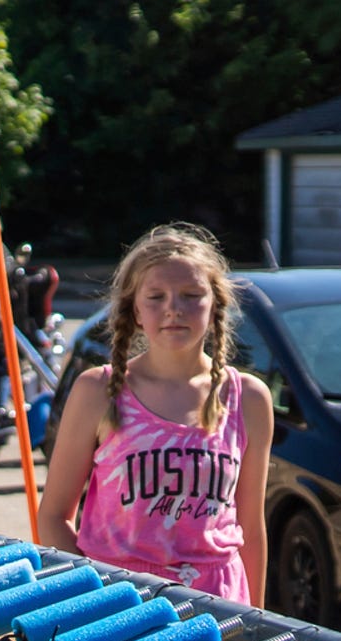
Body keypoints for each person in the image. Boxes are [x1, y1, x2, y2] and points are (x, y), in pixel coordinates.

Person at [37, 223, 270, 604]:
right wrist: (87, 599)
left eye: (192, 295)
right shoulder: (98, 391)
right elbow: (53, 517)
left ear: (215, 305)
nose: (174, 309)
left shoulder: (249, 399)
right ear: (135, 310)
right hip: (119, 606)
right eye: (156, 297)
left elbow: (251, 530)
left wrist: (259, 638)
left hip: (219, 614)